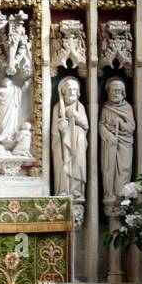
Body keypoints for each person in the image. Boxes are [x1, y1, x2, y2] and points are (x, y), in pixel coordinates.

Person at [52, 77, 89, 206]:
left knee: (78, 165)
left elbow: (86, 125)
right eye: (70, 89)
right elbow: (53, 132)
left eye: (75, 90)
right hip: (62, 144)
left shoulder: (81, 107)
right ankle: (63, 190)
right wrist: (61, 128)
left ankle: (76, 191)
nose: (73, 92)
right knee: (63, 166)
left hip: (78, 142)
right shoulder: (58, 107)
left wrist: (76, 115)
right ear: (64, 91)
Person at [98, 77, 135, 203]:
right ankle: (109, 194)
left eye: (118, 91)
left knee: (123, 169)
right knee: (109, 169)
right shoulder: (106, 107)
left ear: (123, 93)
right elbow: (101, 125)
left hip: (124, 143)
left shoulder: (127, 108)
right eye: (112, 91)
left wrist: (121, 123)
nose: (115, 94)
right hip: (109, 144)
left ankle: (121, 195)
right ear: (108, 92)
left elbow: (131, 127)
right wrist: (108, 134)